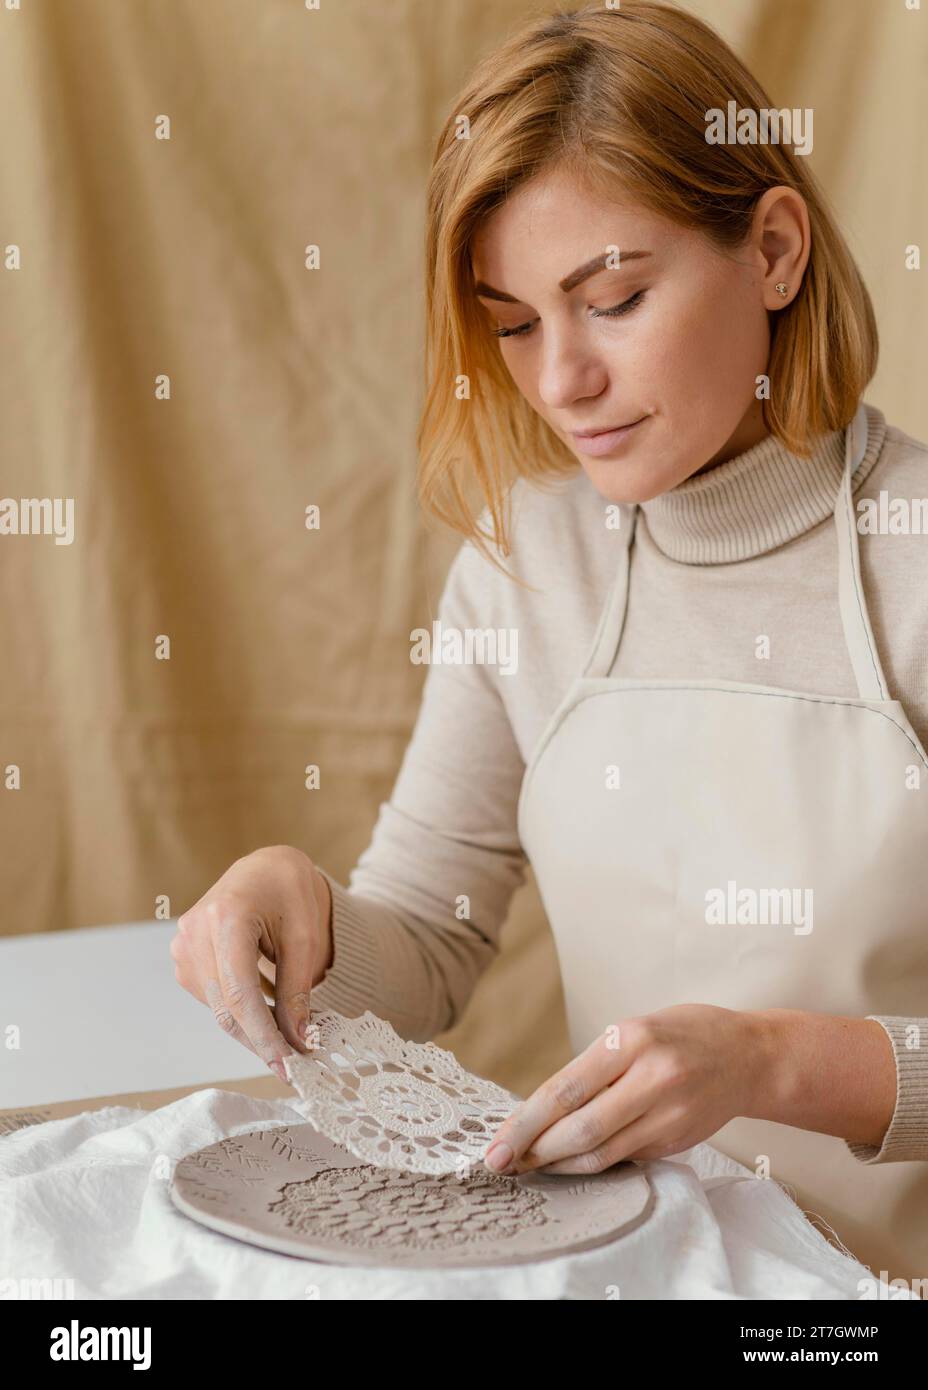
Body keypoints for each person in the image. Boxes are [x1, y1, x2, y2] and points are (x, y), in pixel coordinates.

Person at [171, 1, 928, 1284]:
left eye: (613, 299)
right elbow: (428, 940)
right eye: (513, 323)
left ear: (775, 252)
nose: (558, 378)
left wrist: (773, 1061)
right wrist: (299, 915)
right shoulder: (528, 565)